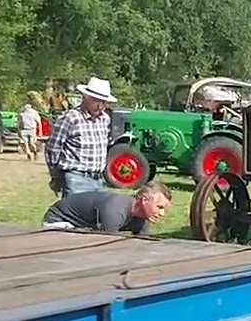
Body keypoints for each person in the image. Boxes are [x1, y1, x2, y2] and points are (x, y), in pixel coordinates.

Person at [46, 76, 116, 198]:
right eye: (96, 101)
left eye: (104, 102)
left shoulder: (105, 119)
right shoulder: (71, 118)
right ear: (85, 98)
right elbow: (53, 148)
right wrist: (56, 176)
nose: (100, 106)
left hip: (98, 180)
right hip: (76, 179)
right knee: (75, 210)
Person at [41, 182, 172, 235]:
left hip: (80, 227)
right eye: (159, 207)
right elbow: (105, 245)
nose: (162, 213)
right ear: (144, 200)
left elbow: (143, 243)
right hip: (59, 221)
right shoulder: (116, 210)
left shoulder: (142, 217)